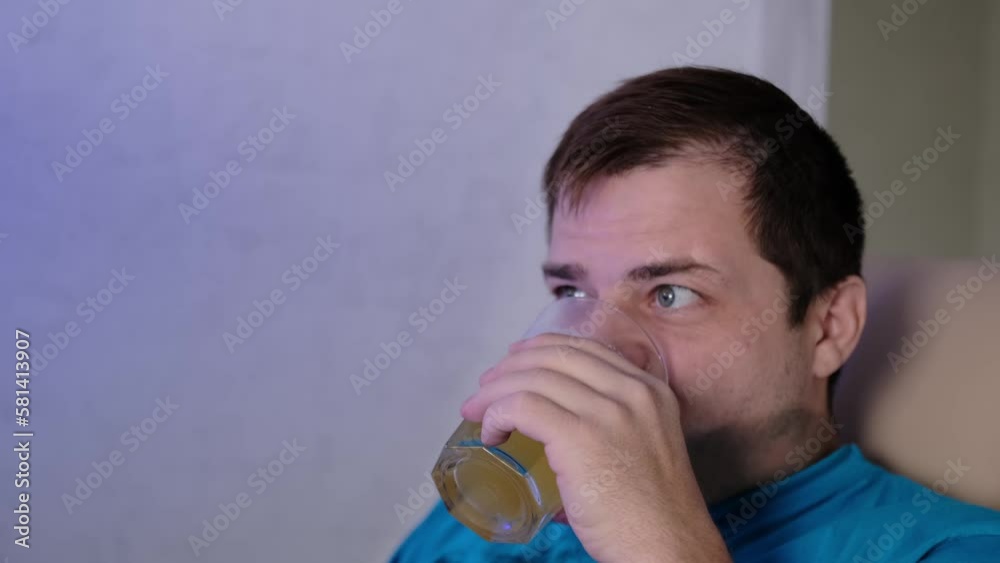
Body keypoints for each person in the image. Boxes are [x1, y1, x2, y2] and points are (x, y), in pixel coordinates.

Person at [390, 67, 1000, 562]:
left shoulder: (947, 549)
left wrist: (659, 542)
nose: (598, 346)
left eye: (670, 294)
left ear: (829, 326)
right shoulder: (492, 511)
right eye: (572, 295)